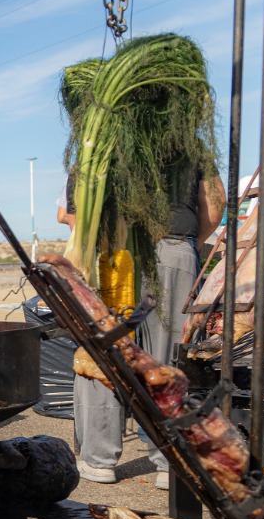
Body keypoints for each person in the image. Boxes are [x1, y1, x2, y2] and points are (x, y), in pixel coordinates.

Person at [62, 168, 223, 486]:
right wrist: (182, 247)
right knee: (169, 358)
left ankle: (99, 460)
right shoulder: (187, 135)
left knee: (103, 353)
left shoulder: (98, 133)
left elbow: (76, 218)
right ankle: (170, 461)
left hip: (113, 252)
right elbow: (215, 206)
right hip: (174, 249)